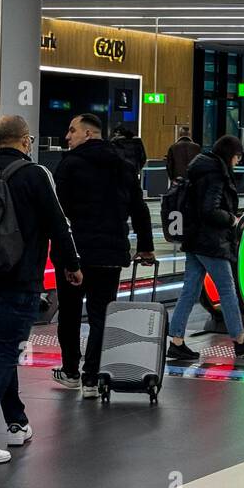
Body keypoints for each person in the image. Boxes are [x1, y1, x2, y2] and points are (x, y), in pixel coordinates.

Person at [0, 115, 81, 465]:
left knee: (4, 349)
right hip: (22, 276)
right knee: (8, 350)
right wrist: (71, 265)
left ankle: (16, 422)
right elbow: (58, 224)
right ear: (26, 141)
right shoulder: (35, 174)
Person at [52, 113, 154, 397]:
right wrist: (145, 245)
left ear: (88, 134)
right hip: (110, 253)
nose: (67, 136)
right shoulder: (123, 165)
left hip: (77, 255)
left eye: (72, 130)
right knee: (101, 315)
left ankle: (71, 370)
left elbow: (58, 213)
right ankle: (91, 378)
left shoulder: (69, 165)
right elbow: (139, 207)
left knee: (70, 313)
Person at [165, 135, 244, 361]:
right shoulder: (215, 174)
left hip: (194, 239)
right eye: (237, 157)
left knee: (190, 291)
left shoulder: (200, 168)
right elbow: (209, 210)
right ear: (229, 155)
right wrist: (232, 219)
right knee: (227, 289)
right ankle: (239, 339)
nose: (237, 162)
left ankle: (177, 340)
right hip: (210, 242)